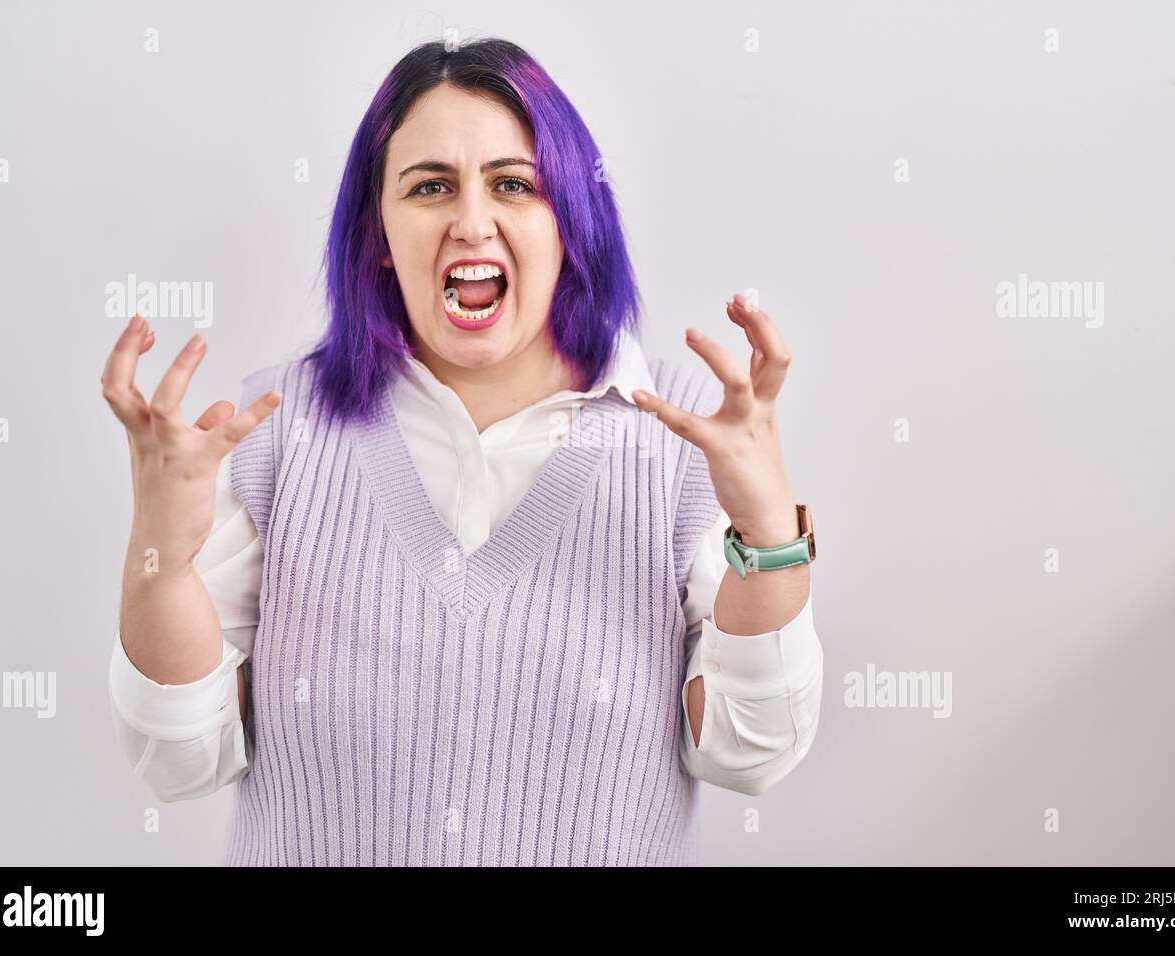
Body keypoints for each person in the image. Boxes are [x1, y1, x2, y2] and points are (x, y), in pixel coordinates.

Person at [102, 37, 822, 867]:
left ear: (570, 226)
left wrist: (769, 532)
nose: (471, 221)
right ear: (378, 231)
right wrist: (161, 555)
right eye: (431, 186)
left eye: (514, 185)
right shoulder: (273, 429)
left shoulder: (682, 430)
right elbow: (180, 762)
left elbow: (751, 754)